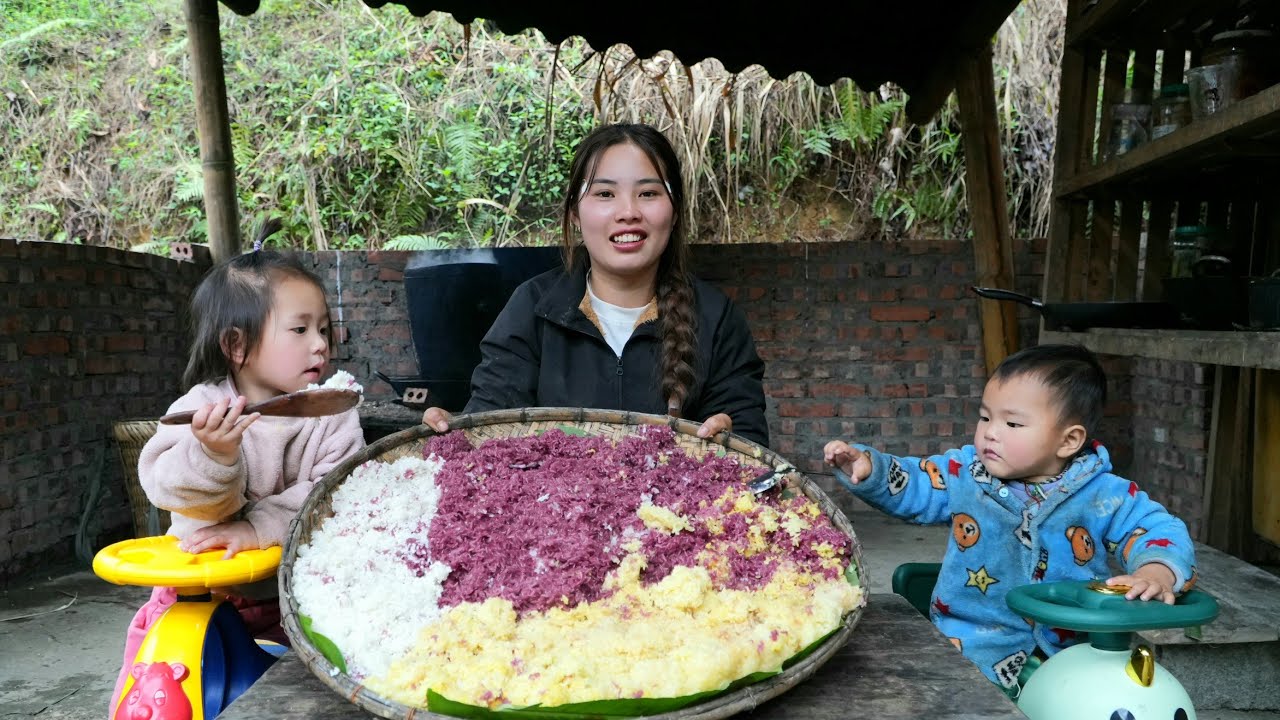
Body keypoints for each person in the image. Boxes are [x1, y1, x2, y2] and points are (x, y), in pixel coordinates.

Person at [823, 344, 1195, 693]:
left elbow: (1157, 530)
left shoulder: (1105, 495)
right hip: (970, 644)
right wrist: (870, 468)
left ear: (1069, 440)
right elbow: (915, 484)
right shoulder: (964, 473)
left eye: (1012, 424)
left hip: (1074, 649)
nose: (990, 433)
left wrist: (1155, 573)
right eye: (985, 417)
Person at [108, 221, 365, 717]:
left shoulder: (332, 413)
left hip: (297, 597)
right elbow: (167, 487)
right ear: (236, 345)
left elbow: (338, 496)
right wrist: (214, 456)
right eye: (299, 329)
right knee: (161, 687)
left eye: (324, 329)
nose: (320, 345)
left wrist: (258, 527)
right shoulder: (203, 408)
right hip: (200, 593)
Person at [421, 123, 769, 446]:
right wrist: (457, 433)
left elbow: (750, 443)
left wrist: (731, 440)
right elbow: (490, 424)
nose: (628, 211)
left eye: (648, 193)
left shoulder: (715, 318)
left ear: (674, 211)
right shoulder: (533, 307)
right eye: (605, 194)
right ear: (575, 212)